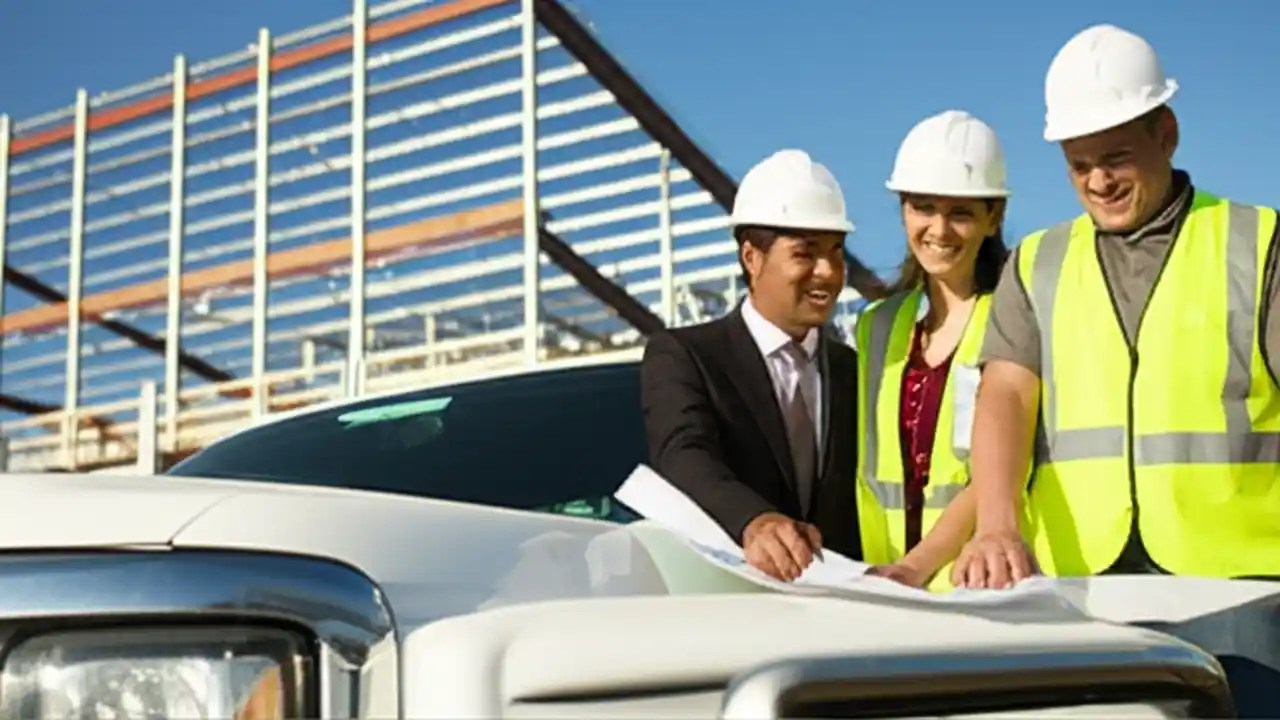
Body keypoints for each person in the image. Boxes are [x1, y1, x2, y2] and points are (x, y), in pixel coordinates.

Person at [954, 23, 1280, 589]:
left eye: (1116, 158)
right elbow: (1005, 393)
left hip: (1240, 583)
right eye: (1079, 165)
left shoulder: (1258, 241)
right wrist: (997, 526)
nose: (1098, 181)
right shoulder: (1036, 263)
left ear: (1167, 134)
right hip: (1081, 580)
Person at [640, 149, 861, 581]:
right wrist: (753, 521)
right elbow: (684, 455)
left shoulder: (852, 369)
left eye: (836, 252)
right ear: (751, 258)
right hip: (733, 611)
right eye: (806, 253)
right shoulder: (685, 357)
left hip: (847, 618)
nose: (829, 272)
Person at [854, 110, 1011, 592]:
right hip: (887, 591)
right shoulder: (876, 328)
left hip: (978, 590)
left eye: (960, 212)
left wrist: (915, 567)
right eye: (922, 207)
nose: (938, 229)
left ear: (993, 217)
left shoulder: (1014, 319)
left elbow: (996, 470)